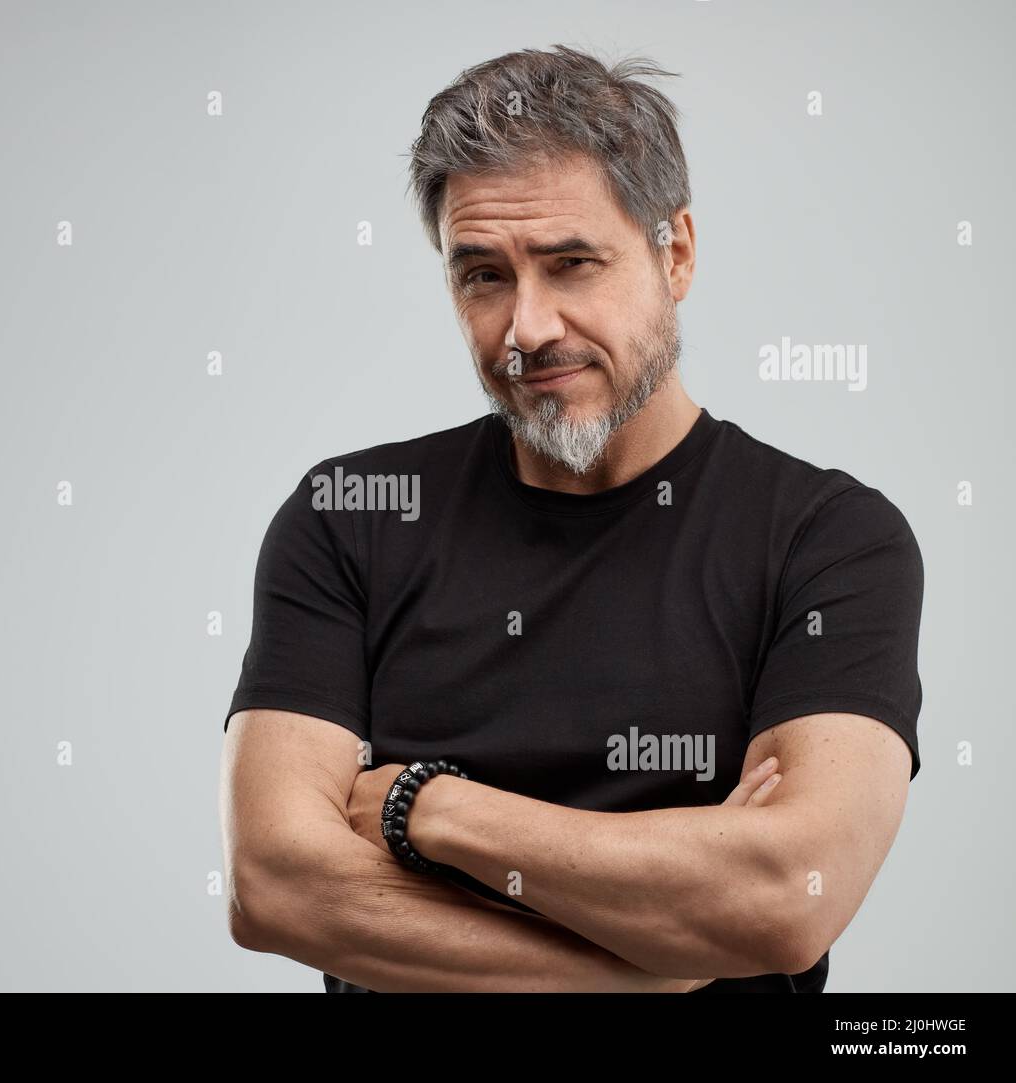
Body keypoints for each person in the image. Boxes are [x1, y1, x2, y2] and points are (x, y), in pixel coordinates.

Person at [220, 45, 923, 993]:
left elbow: (782, 894)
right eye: (483, 276)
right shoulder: (351, 518)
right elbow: (275, 886)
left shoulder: (829, 538)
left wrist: (426, 809)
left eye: (572, 263)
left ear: (675, 252)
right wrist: (647, 969)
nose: (529, 328)